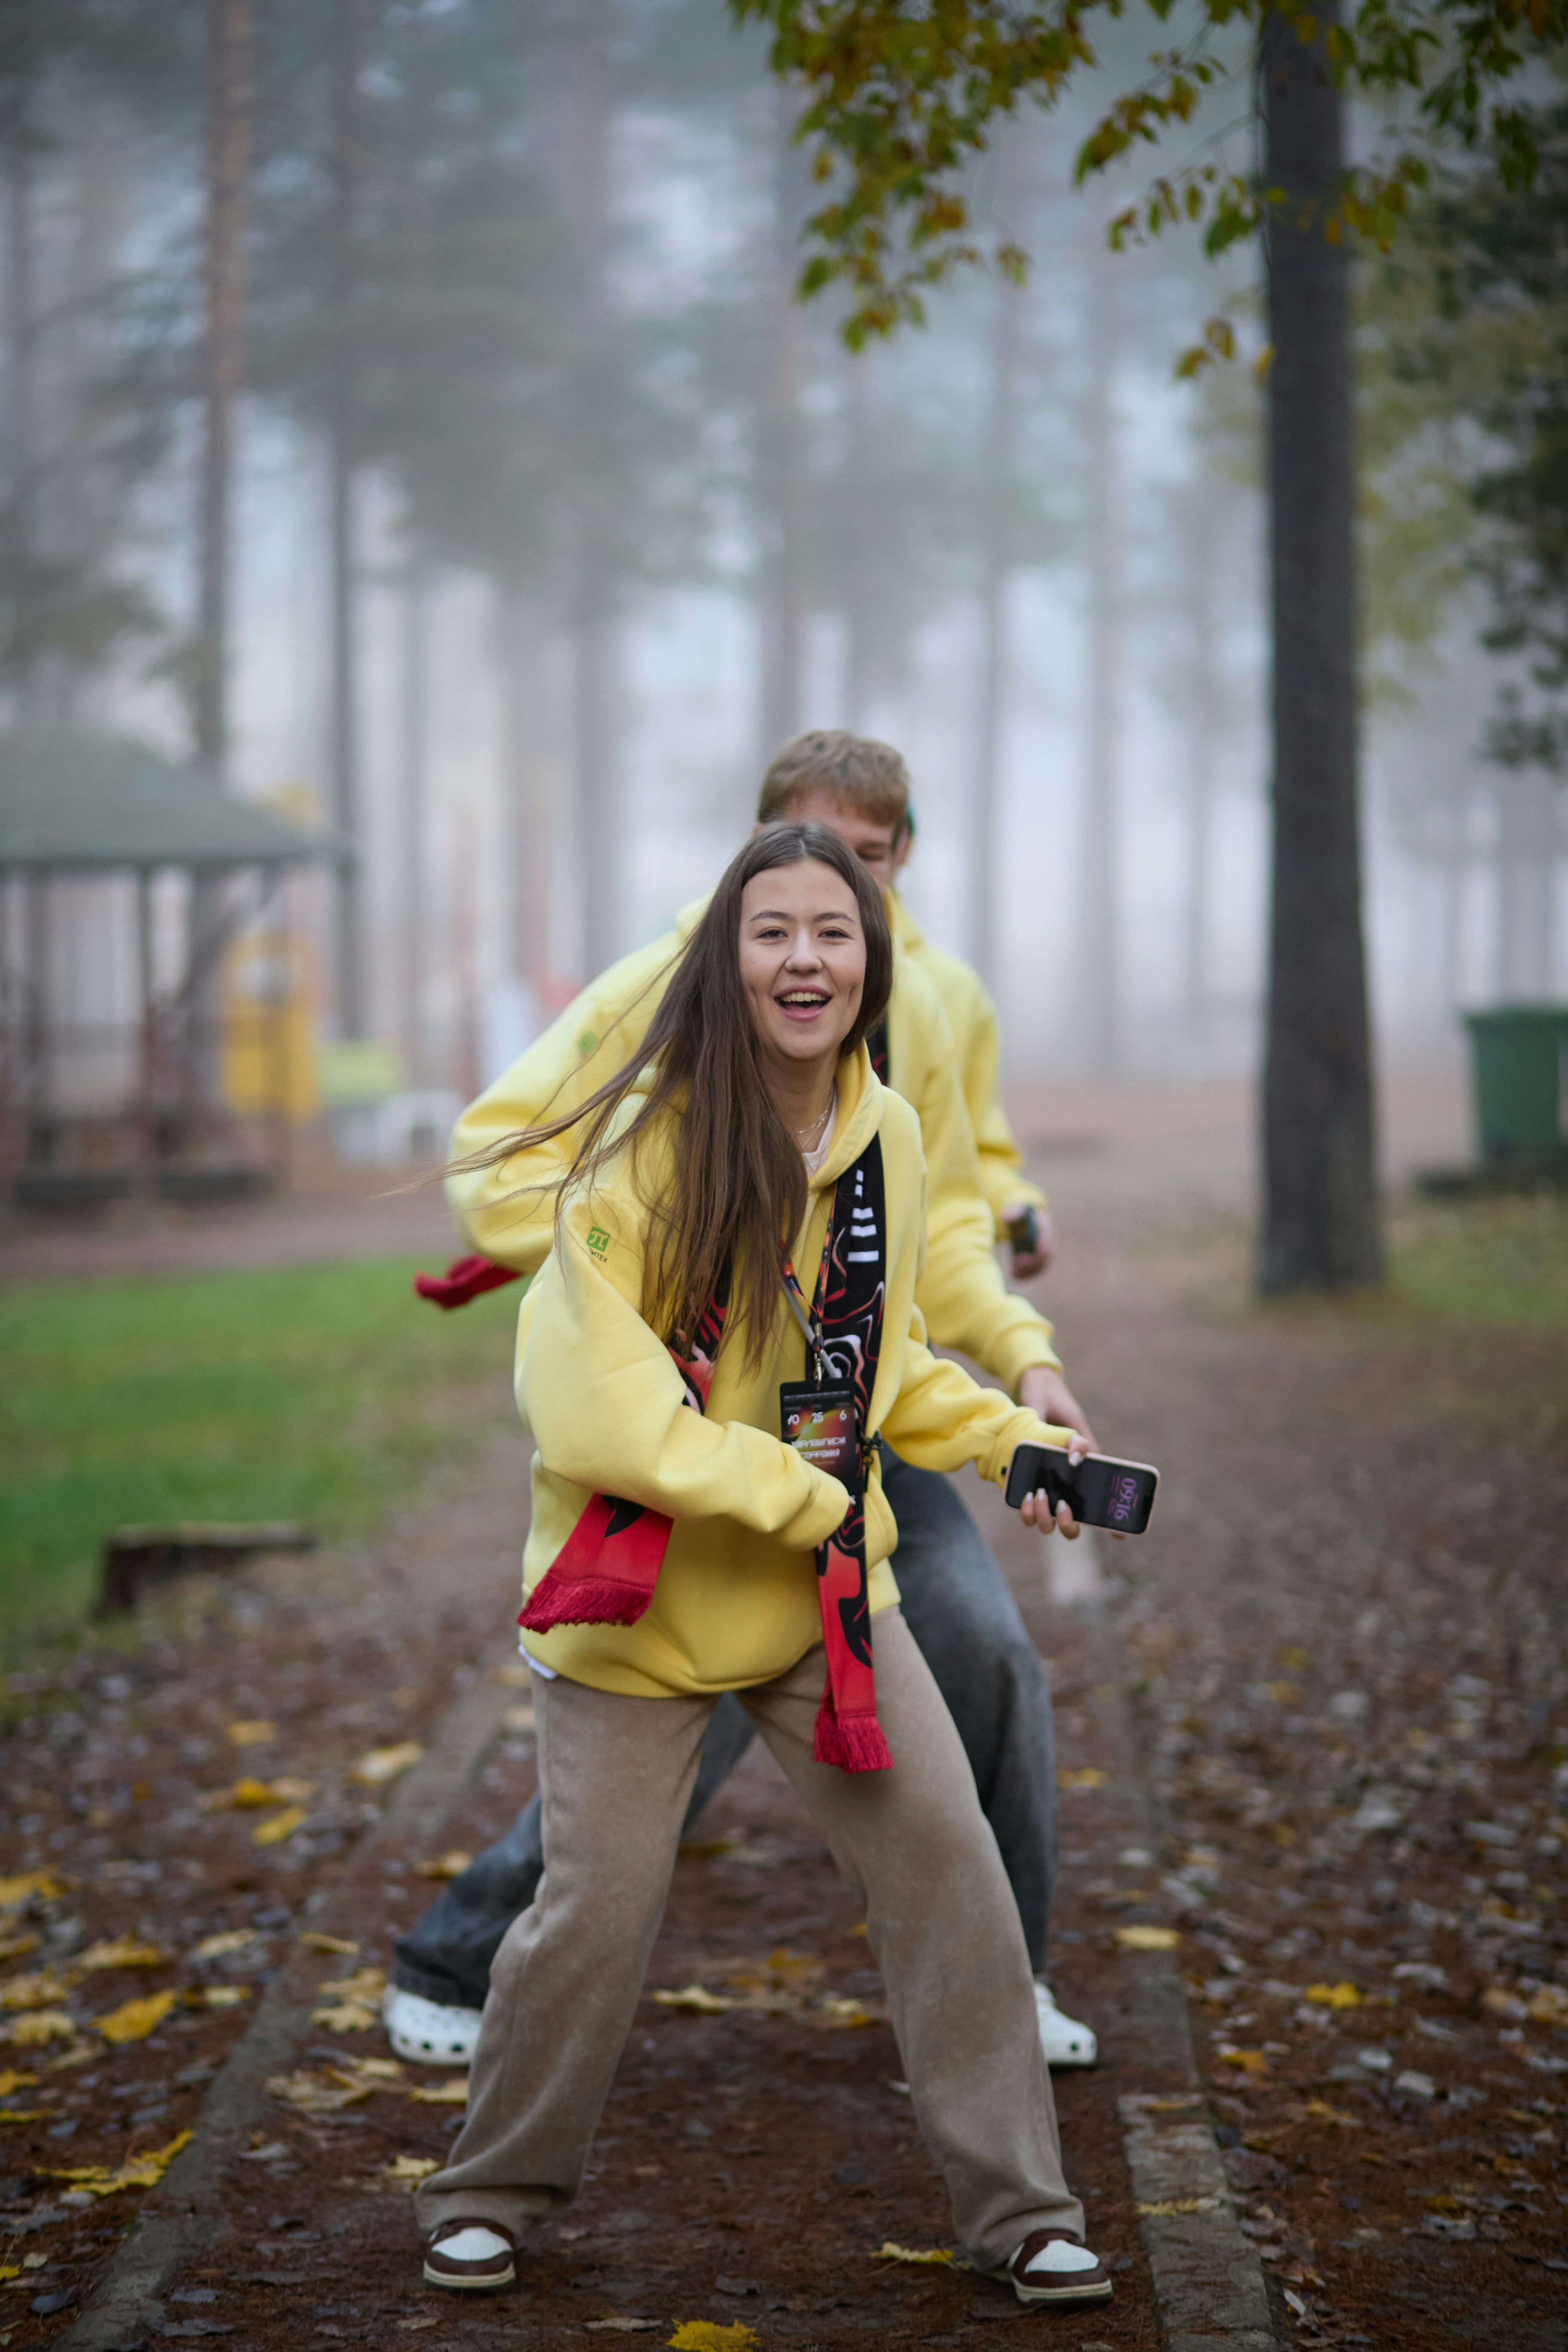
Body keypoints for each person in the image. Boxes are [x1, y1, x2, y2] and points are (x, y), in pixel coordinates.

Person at [415, 824, 1112, 2311]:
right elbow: (596, 1410)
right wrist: (799, 1494)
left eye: (835, 934)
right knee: (594, 1916)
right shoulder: (643, 1143)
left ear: (873, 961)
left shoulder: (887, 1138)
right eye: (774, 933)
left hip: (819, 1610)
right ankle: (491, 2191)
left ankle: (1023, 2211)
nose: (807, 960)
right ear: (727, 963)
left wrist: (1010, 1451)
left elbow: (883, 1366)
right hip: (640, 1617)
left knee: (951, 1874)